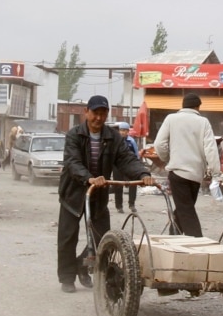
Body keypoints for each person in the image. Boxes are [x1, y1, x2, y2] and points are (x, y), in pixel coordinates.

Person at [59, 95, 154, 293]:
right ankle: (67, 278)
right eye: (95, 113)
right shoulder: (74, 135)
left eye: (103, 113)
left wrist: (143, 173)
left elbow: (127, 159)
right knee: (68, 236)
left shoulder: (113, 137)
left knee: (102, 236)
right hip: (74, 193)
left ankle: (83, 266)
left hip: (98, 193)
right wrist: (88, 178)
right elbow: (72, 162)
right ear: (87, 112)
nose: (99, 118)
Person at [152, 93, 221, 237]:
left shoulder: (171, 119)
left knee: (184, 209)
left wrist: (168, 159)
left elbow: (159, 144)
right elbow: (211, 149)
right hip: (195, 176)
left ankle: (180, 240)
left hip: (177, 173)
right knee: (185, 209)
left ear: (183, 105)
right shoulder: (203, 122)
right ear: (198, 106)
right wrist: (216, 174)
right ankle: (195, 242)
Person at [112, 122, 139, 213]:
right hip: (117, 167)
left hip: (129, 166)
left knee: (133, 184)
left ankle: (132, 204)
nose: (122, 132)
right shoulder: (115, 141)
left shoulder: (131, 141)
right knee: (118, 186)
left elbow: (136, 154)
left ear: (128, 132)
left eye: (124, 131)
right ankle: (119, 206)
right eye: (121, 130)